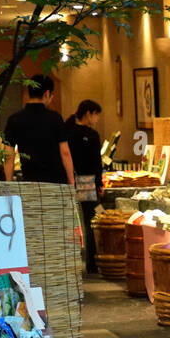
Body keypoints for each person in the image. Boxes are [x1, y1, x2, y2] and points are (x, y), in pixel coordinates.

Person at [2, 75, 74, 186]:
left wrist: (8, 184)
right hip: (56, 181)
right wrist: (71, 181)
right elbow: (65, 152)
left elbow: (8, 155)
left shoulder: (14, 119)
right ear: (47, 93)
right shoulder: (55, 118)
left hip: (30, 180)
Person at [65, 99, 104, 273]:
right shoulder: (91, 135)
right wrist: (99, 184)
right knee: (89, 222)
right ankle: (92, 263)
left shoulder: (66, 130)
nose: (97, 120)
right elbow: (97, 163)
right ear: (89, 113)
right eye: (96, 115)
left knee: (69, 220)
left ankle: (68, 260)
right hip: (87, 182)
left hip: (68, 180)